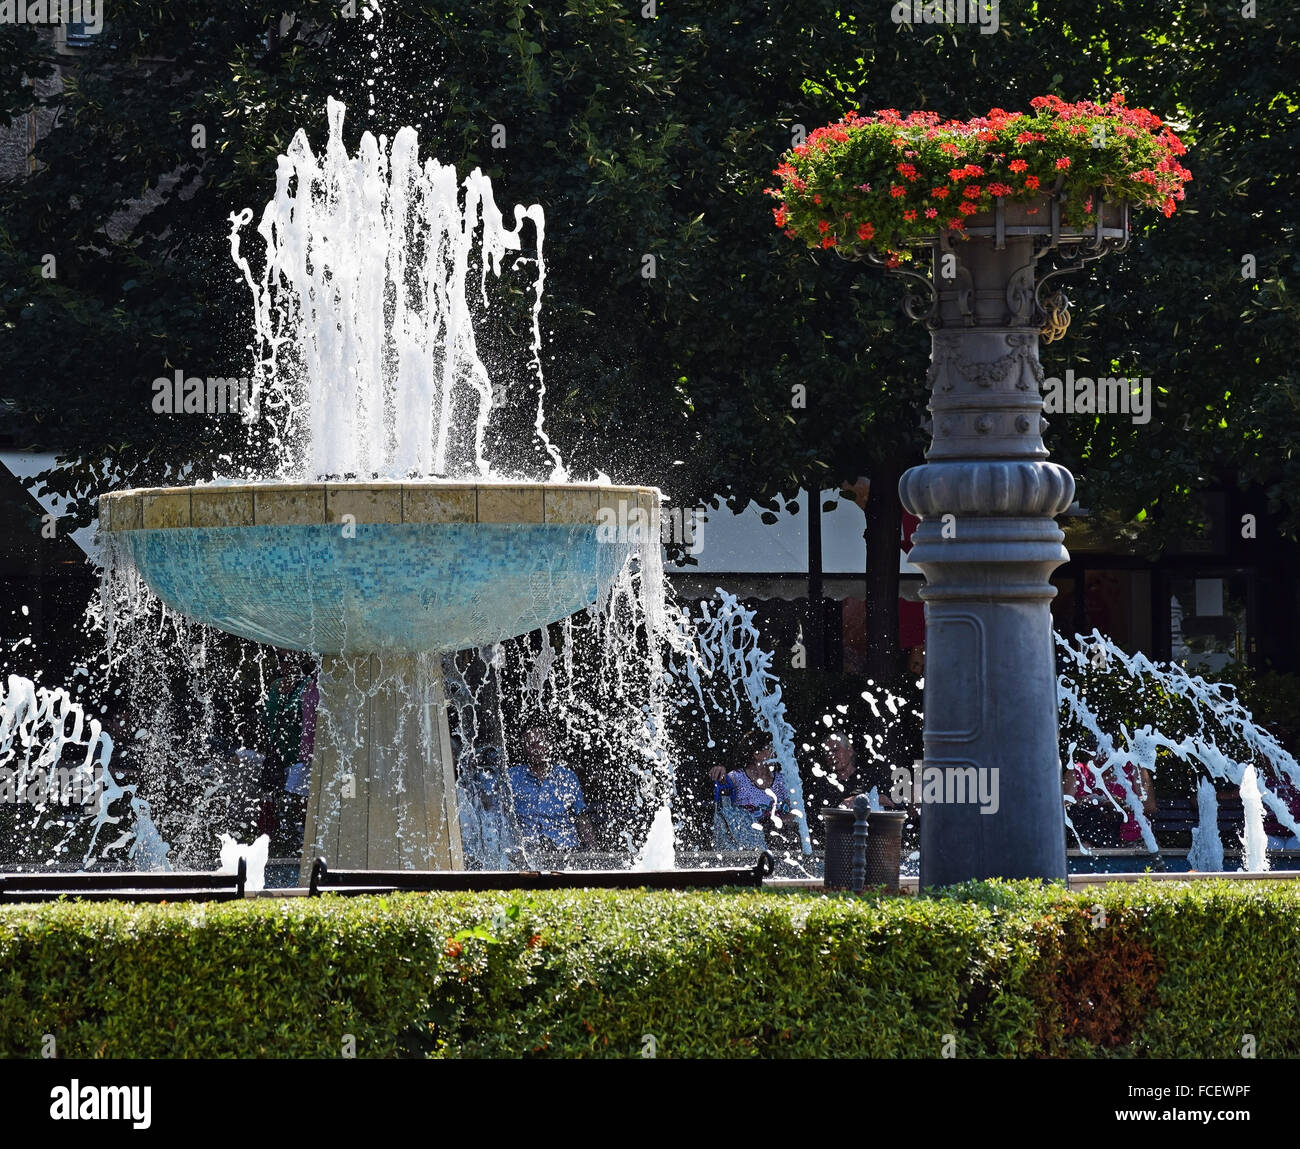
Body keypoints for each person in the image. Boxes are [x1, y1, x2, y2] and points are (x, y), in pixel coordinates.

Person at [506, 725, 595, 854]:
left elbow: (581, 817)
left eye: (539, 743)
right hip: (527, 852)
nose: (536, 749)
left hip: (566, 850)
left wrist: (593, 851)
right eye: (530, 745)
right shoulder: (512, 777)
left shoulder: (567, 777)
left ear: (549, 744)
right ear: (524, 749)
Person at [711, 734, 793, 851]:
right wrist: (719, 771)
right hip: (748, 849)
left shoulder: (783, 781)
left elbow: (795, 813)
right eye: (769, 748)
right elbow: (723, 811)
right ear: (756, 754)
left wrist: (776, 824)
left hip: (782, 845)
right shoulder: (736, 779)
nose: (775, 752)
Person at [1065, 754, 1154, 848]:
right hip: (1090, 833)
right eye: (1097, 751)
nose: (1102, 757)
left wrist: (1121, 804)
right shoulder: (1077, 771)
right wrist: (1081, 802)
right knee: (1084, 846)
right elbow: (1063, 808)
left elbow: (1149, 806)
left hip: (1129, 834)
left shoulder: (1134, 769)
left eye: (1107, 752)